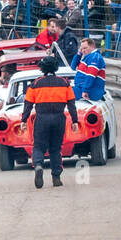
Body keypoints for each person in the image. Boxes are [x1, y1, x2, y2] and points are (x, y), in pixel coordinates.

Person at [21, 54, 79, 188]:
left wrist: (24, 120)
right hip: (59, 119)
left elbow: (28, 104)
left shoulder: (35, 84)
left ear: (42, 68)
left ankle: (39, 165)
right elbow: (71, 104)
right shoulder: (65, 83)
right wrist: (75, 121)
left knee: (39, 146)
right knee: (55, 149)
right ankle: (56, 177)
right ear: (56, 68)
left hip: (42, 119)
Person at [72, 36, 106, 101]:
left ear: (92, 46)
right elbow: (73, 67)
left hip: (90, 91)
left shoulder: (95, 57)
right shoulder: (87, 57)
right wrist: (79, 53)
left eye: (85, 48)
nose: (83, 51)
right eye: (81, 49)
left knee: (61, 93)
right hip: (81, 88)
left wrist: (85, 90)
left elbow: (91, 75)